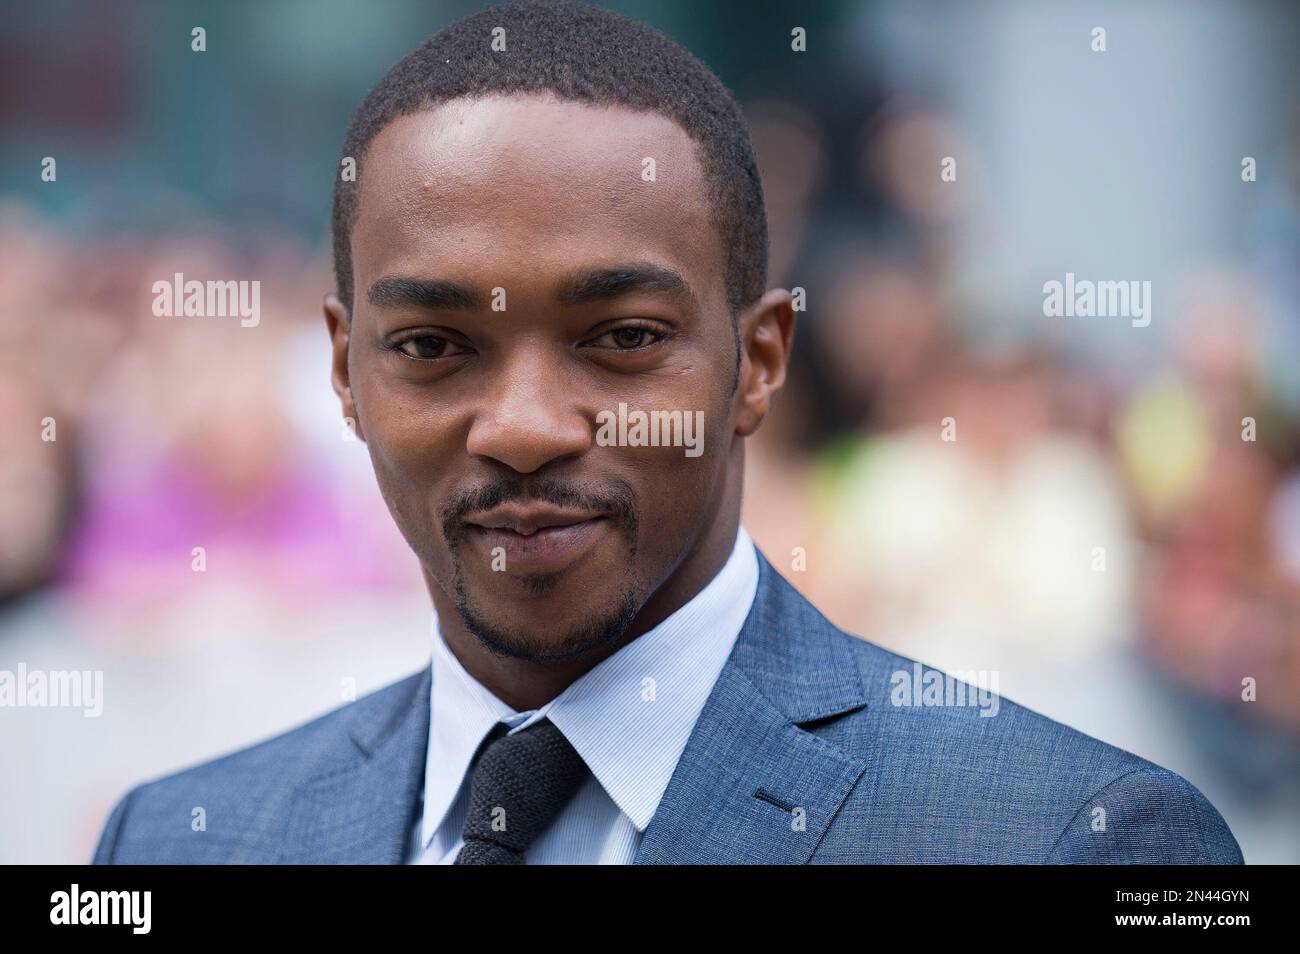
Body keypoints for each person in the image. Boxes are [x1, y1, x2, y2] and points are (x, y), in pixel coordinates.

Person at [93, 0, 1242, 864]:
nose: (526, 428)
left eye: (624, 337)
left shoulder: (1074, 843)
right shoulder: (182, 843)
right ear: (343, 373)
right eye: (434, 348)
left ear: (760, 363)